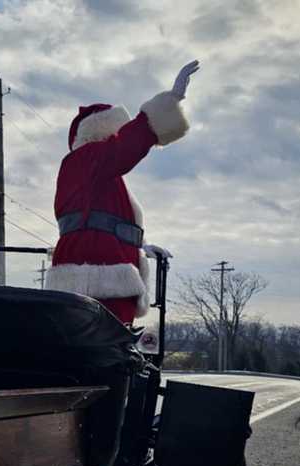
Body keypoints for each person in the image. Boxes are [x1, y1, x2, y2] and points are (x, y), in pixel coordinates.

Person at [45, 60, 199, 324]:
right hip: (98, 280)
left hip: (101, 275)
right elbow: (124, 149)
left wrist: (140, 246)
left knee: (108, 349)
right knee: (101, 352)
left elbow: (101, 220)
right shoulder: (85, 160)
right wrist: (167, 103)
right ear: (102, 130)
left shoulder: (95, 172)